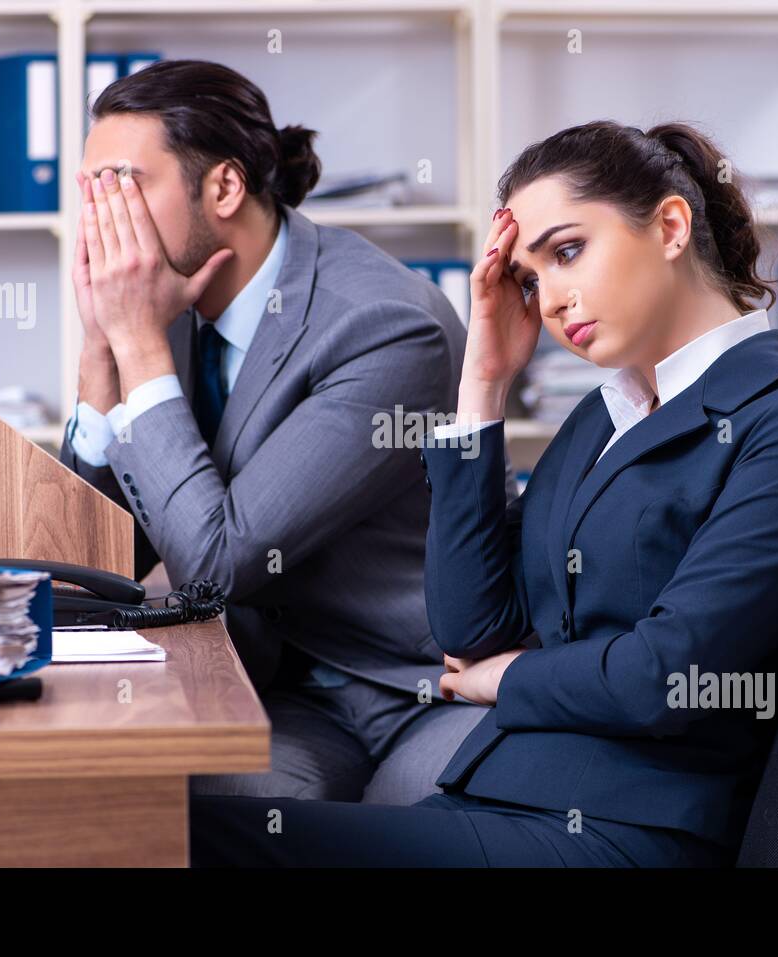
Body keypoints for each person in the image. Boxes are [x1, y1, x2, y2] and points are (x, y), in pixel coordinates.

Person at [189, 120, 778, 866]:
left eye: (568, 251)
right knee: (161, 826)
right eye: (530, 277)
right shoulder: (602, 418)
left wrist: (509, 677)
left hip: (627, 830)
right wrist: (482, 386)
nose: (548, 300)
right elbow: (472, 628)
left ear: (672, 226)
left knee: (179, 840)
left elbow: (669, 676)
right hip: (506, 793)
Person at [59, 59, 498, 806]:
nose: (103, 218)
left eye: (125, 185)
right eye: (91, 191)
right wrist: (103, 350)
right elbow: (97, 559)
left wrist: (136, 340)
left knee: (395, 844)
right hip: (275, 681)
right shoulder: (172, 304)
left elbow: (218, 562)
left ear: (224, 188)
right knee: (177, 810)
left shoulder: (386, 326)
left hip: (416, 688)